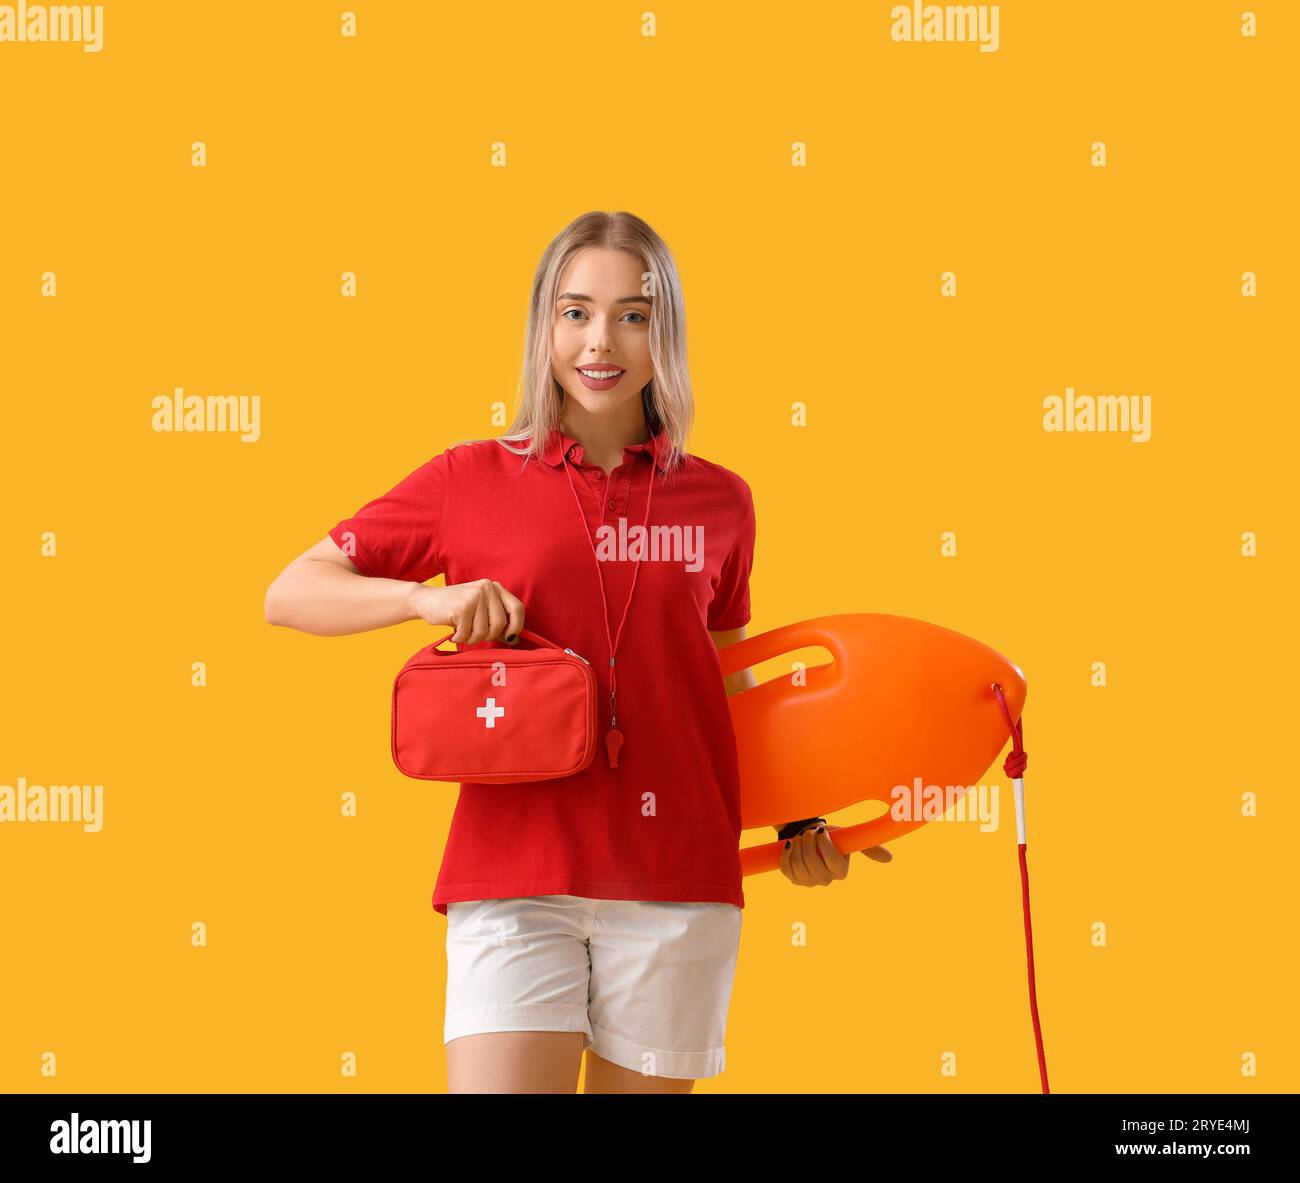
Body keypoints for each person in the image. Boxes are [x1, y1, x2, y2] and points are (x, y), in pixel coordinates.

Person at [264, 211, 890, 1094]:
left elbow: (728, 681)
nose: (602, 342)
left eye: (633, 315)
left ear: (663, 331)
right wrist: (422, 597)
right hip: (515, 872)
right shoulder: (468, 478)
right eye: (576, 313)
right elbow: (289, 590)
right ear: (543, 326)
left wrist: (797, 817)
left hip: (675, 880)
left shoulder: (722, 501)